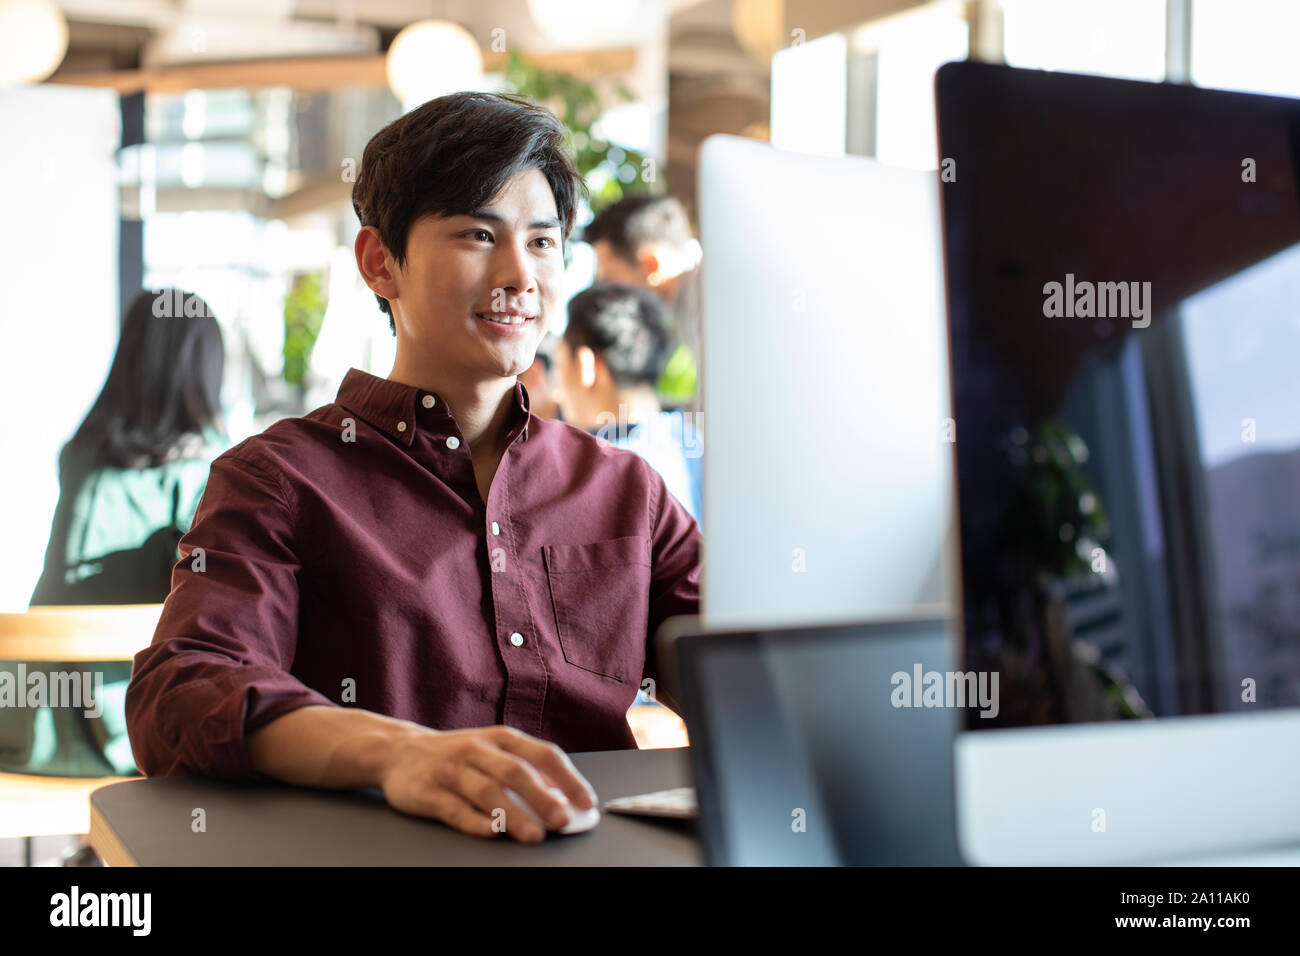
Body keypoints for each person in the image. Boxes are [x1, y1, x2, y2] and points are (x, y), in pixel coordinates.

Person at [125, 92, 702, 846]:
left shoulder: (625, 490)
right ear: (379, 263)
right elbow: (180, 692)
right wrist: (398, 754)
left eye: (542, 241)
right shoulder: (280, 478)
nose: (519, 275)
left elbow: (749, 668)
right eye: (476, 234)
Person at [1, 288, 226, 860]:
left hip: (24, 728)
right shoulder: (211, 474)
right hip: (126, 745)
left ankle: (87, 856)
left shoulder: (79, 455)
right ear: (205, 369)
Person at [553, 282, 700, 524]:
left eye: (559, 366)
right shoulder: (694, 440)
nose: (556, 392)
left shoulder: (601, 476)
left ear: (584, 366)